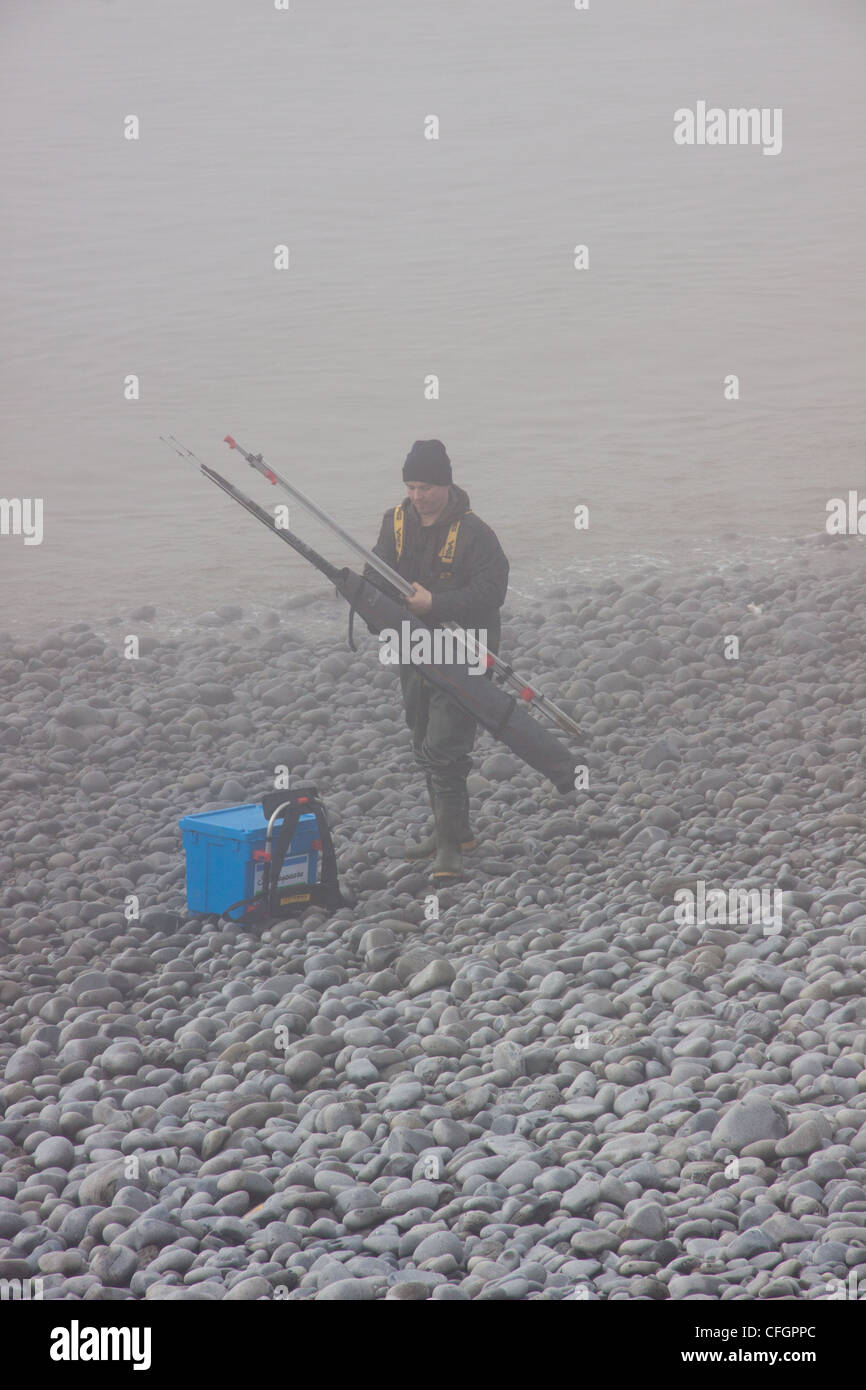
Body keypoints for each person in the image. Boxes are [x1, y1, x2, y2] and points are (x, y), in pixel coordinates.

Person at [366, 440, 509, 881]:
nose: (417, 496)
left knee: (446, 745)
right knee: (423, 737)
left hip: (466, 651)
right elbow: (376, 574)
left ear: (446, 484)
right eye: (410, 486)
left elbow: (492, 593)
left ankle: (448, 848)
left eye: (425, 486)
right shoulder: (394, 523)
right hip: (414, 649)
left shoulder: (475, 533)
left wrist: (437, 603)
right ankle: (456, 829)